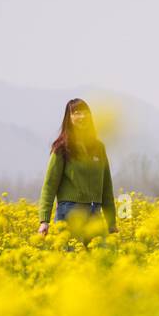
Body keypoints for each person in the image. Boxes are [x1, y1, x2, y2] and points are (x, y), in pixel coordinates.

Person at [38, 98, 116, 238]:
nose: (82, 116)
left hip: (94, 213)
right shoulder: (62, 148)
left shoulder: (99, 148)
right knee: (71, 257)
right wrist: (44, 220)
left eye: (85, 112)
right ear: (69, 118)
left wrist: (111, 222)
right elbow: (49, 185)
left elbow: (107, 187)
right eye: (76, 112)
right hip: (69, 214)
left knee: (98, 258)